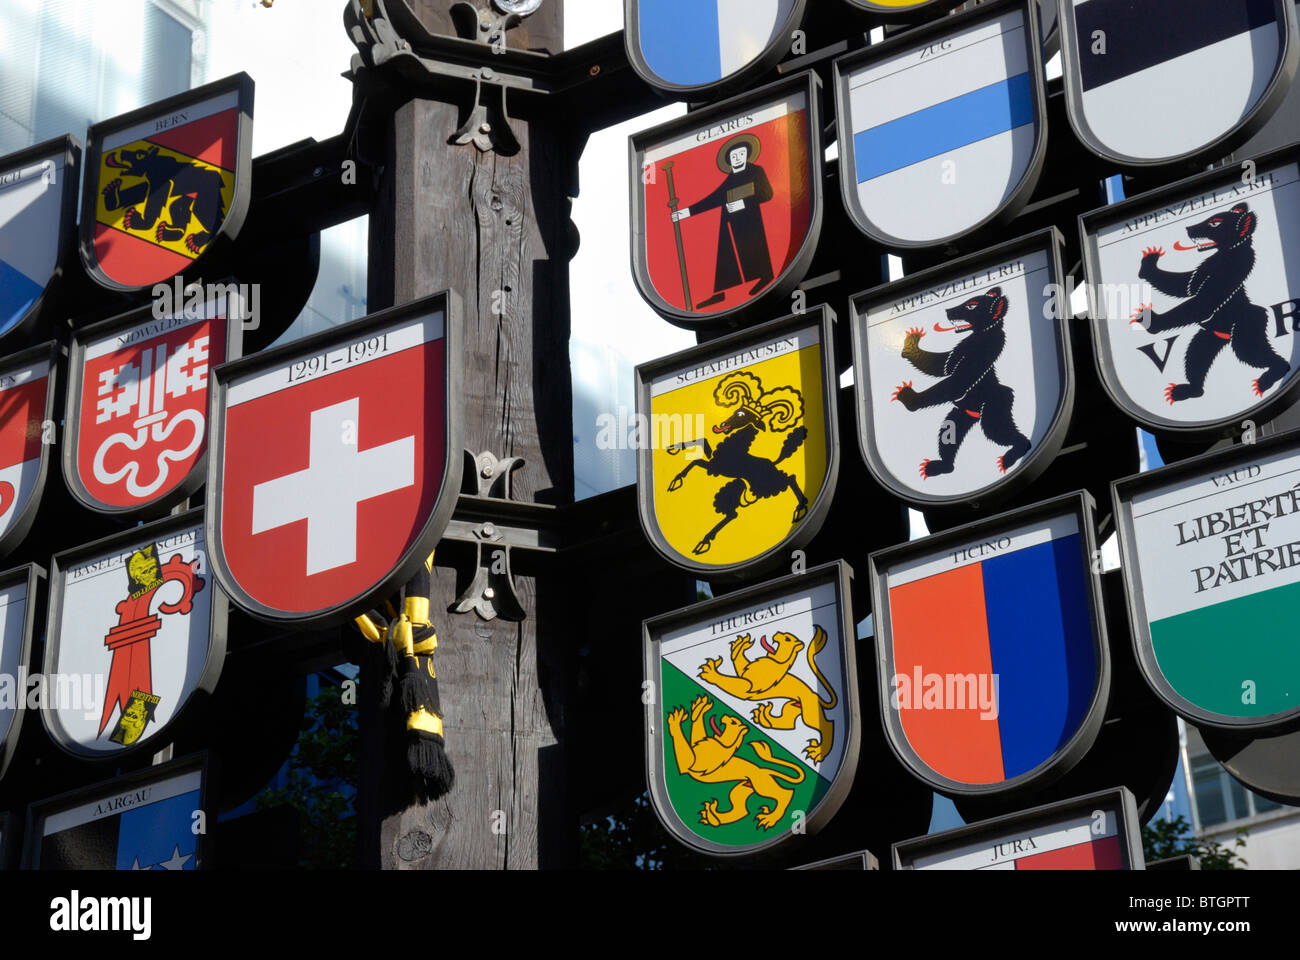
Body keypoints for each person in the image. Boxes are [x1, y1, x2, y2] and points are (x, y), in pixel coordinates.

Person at [672, 133, 775, 309]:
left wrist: (743, 203)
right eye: (733, 156)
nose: (737, 158)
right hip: (729, 222)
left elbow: (767, 194)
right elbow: (714, 199)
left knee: (753, 248)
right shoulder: (730, 178)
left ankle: (765, 276)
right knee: (726, 255)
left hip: (750, 221)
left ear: (747, 154)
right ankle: (720, 293)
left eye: (740, 154)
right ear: (729, 160)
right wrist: (686, 212)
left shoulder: (756, 171)